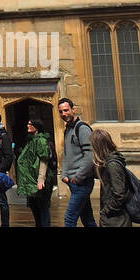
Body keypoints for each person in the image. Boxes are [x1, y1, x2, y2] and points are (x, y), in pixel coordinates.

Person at [58, 97, 97, 227]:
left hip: (82, 181)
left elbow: (89, 155)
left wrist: (78, 177)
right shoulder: (68, 130)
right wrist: (64, 174)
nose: (64, 114)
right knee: (88, 219)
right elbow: (67, 154)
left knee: (70, 218)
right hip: (74, 182)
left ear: (73, 109)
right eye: (61, 112)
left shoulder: (82, 128)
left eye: (66, 110)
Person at [16, 117, 53, 227]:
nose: (28, 126)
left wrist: (41, 179)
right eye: (28, 123)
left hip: (37, 179)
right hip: (30, 178)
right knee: (34, 206)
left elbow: (43, 160)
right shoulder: (31, 139)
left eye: (30, 124)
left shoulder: (41, 141)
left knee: (42, 208)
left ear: (37, 127)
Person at [91, 129, 131, 227]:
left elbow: (119, 194)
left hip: (116, 220)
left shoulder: (112, 165)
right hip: (113, 219)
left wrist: (106, 212)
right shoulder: (107, 163)